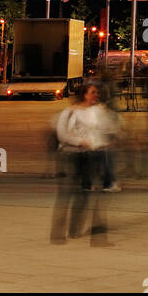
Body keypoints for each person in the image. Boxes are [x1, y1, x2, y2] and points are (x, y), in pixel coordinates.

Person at [50, 83, 116, 243]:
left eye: (97, 92)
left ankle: (75, 228)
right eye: (93, 92)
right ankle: (58, 233)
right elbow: (62, 134)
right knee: (67, 194)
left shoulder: (98, 110)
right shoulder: (70, 112)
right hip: (71, 156)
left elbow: (104, 130)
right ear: (84, 95)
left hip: (92, 155)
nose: (96, 95)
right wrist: (80, 141)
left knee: (85, 192)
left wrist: (103, 142)